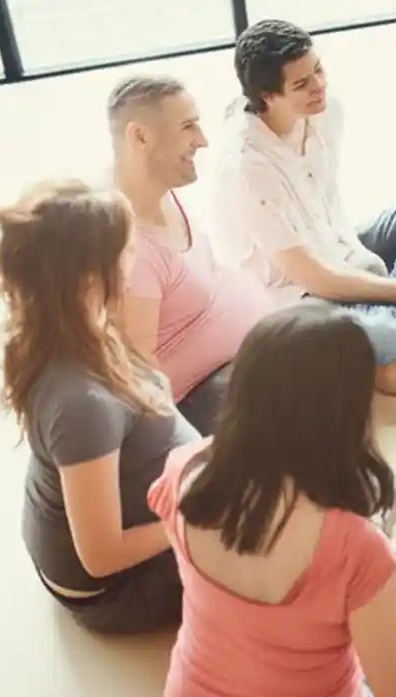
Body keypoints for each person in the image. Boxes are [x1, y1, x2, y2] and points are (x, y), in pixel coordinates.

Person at [146, 303, 396, 697]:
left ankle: (384, 519)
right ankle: (385, 521)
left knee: (379, 569)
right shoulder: (355, 549)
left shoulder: (184, 469)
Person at [208, 19, 396, 396]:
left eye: (317, 69)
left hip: (339, 247)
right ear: (267, 96)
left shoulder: (326, 112)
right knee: (385, 335)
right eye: (301, 84)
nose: (319, 86)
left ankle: (388, 304)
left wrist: (389, 282)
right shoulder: (246, 167)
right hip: (296, 292)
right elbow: (311, 277)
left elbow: (328, 216)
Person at [0, 179, 199, 634]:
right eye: (127, 251)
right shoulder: (81, 402)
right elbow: (102, 556)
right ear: (89, 277)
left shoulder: (70, 325)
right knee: (287, 552)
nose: (136, 258)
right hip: (117, 590)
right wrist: (197, 516)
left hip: (130, 503)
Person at [111, 75, 277, 434]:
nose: (202, 140)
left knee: (334, 339)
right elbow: (141, 381)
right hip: (202, 393)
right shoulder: (130, 251)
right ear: (140, 138)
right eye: (188, 127)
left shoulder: (160, 192)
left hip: (242, 348)